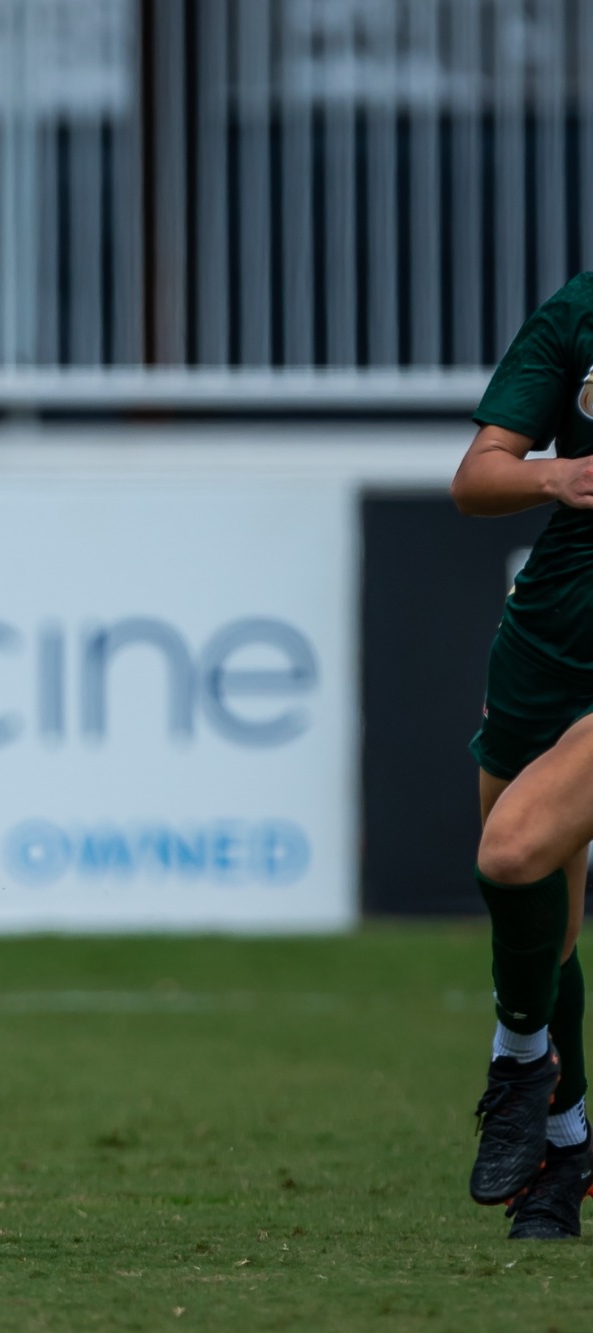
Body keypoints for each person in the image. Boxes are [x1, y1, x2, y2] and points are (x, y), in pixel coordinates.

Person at [449, 272, 593, 1240]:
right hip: (545, 639)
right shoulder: (579, 310)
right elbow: (475, 478)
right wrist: (555, 475)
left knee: (509, 851)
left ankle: (515, 1055)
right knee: (544, 925)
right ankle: (566, 1146)